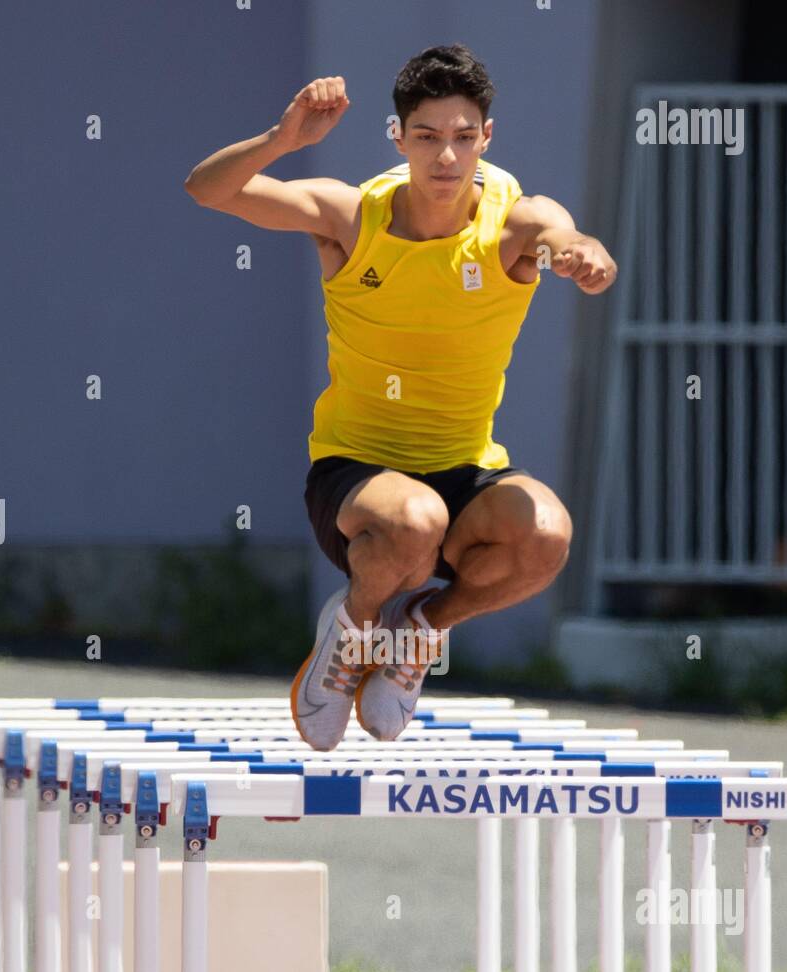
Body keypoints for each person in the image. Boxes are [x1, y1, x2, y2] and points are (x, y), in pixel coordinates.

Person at [184, 44, 617, 749]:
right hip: (357, 482)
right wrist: (283, 139)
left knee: (545, 537)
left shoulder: (513, 224)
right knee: (413, 521)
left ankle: (418, 633)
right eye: (426, 137)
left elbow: (563, 235)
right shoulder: (351, 218)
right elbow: (207, 190)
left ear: (486, 137)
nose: (445, 157)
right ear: (398, 137)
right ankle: (349, 633)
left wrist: (584, 255)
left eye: (462, 137)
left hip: (465, 473)